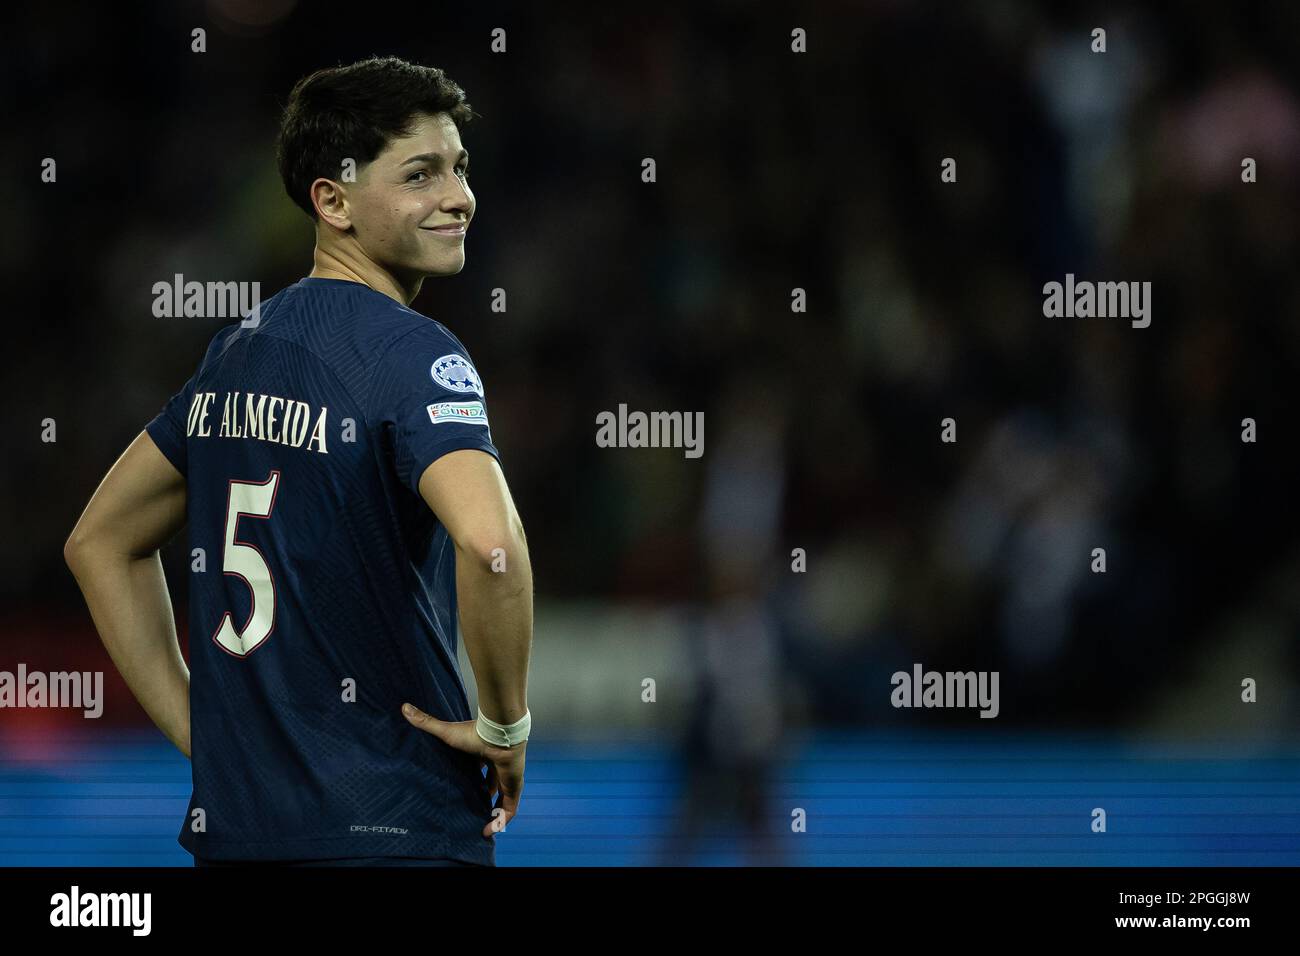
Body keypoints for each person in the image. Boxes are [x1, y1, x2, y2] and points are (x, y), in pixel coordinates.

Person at [63, 55, 532, 867]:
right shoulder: (414, 354)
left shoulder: (235, 352)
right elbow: (493, 551)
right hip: (397, 828)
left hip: (242, 833)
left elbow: (98, 543)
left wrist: (204, 738)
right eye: (420, 174)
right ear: (333, 200)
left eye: (459, 168)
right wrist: (504, 725)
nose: (459, 197)